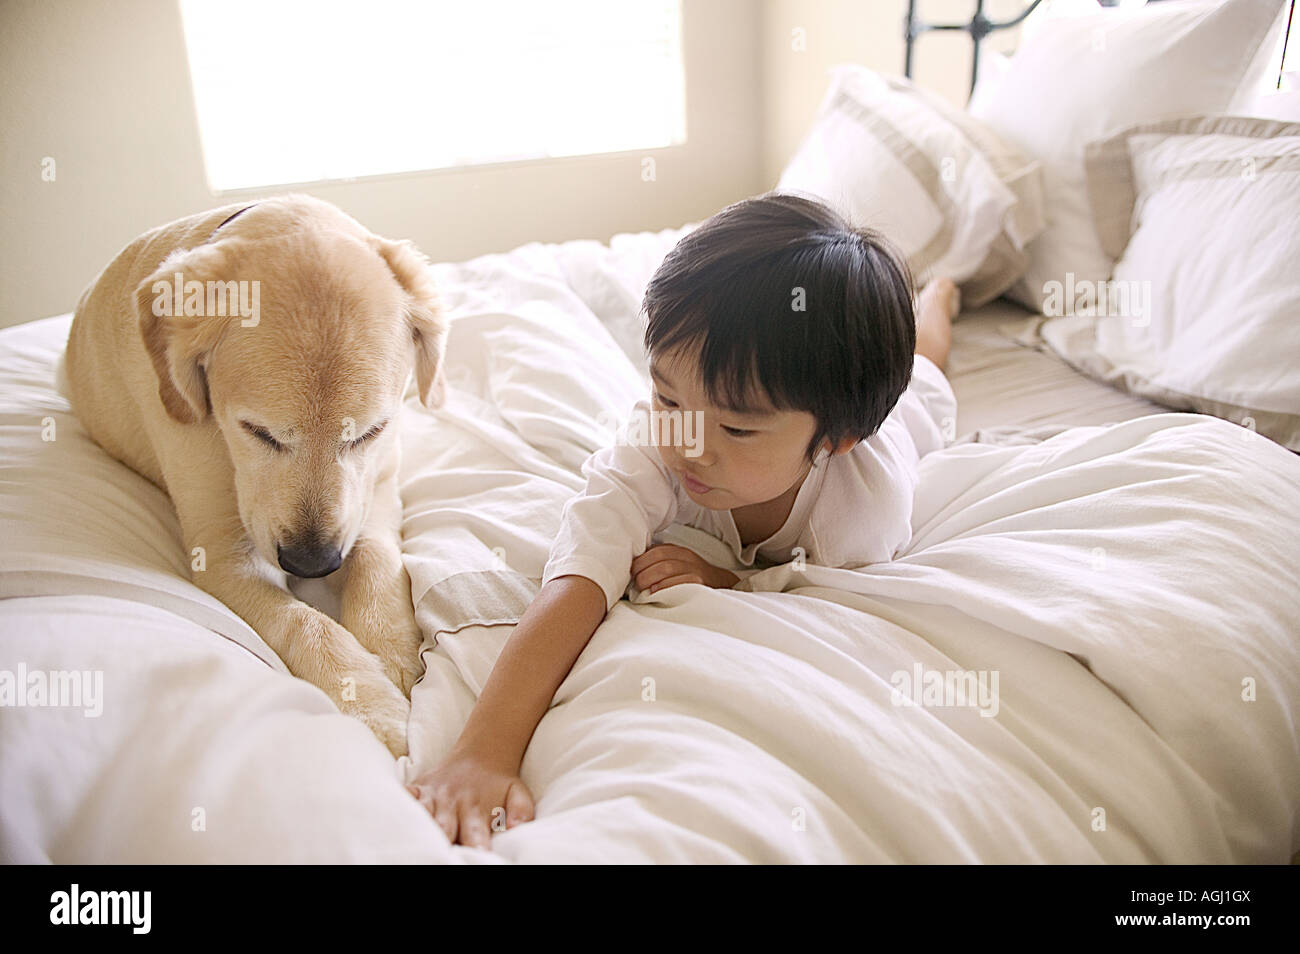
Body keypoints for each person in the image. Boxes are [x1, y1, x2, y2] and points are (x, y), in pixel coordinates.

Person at [407, 192, 960, 847]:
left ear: (833, 439)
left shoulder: (865, 510)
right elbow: (581, 574)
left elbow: (829, 599)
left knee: (926, 365)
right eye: (667, 395)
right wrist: (483, 750)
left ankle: (941, 299)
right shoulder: (654, 443)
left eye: (736, 426)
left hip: (910, 416)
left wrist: (730, 581)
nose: (690, 443)